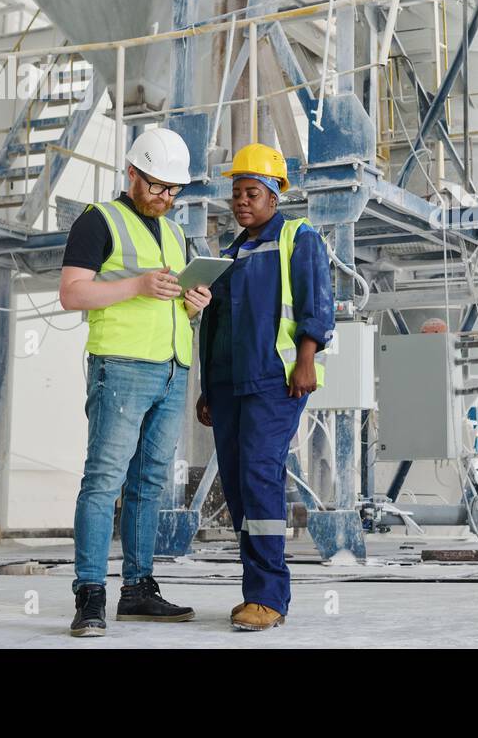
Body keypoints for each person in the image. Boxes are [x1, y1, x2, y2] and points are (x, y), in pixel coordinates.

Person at [58, 128, 211, 637]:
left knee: (149, 484)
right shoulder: (98, 220)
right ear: (131, 173)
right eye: (156, 187)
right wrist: (139, 285)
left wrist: (192, 305)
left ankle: (139, 589)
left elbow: (170, 303)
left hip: (171, 369)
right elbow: (73, 294)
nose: (165, 198)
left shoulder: (173, 232)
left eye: (173, 190)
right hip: (121, 368)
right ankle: (90, 594)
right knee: (103, 481)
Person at [196, 143, 335, 631]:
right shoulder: (229, 254)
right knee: (237, 485)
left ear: (274, 196)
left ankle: (269, 596)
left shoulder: (298, 238)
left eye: (251, 192)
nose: (241, 201)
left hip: (274, 381)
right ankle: (254, 589)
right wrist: (208, 388)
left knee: (258, 476)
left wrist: (307, 359)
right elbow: (215, 325)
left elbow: (316, 302)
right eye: (236, 193)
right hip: (228, 385)